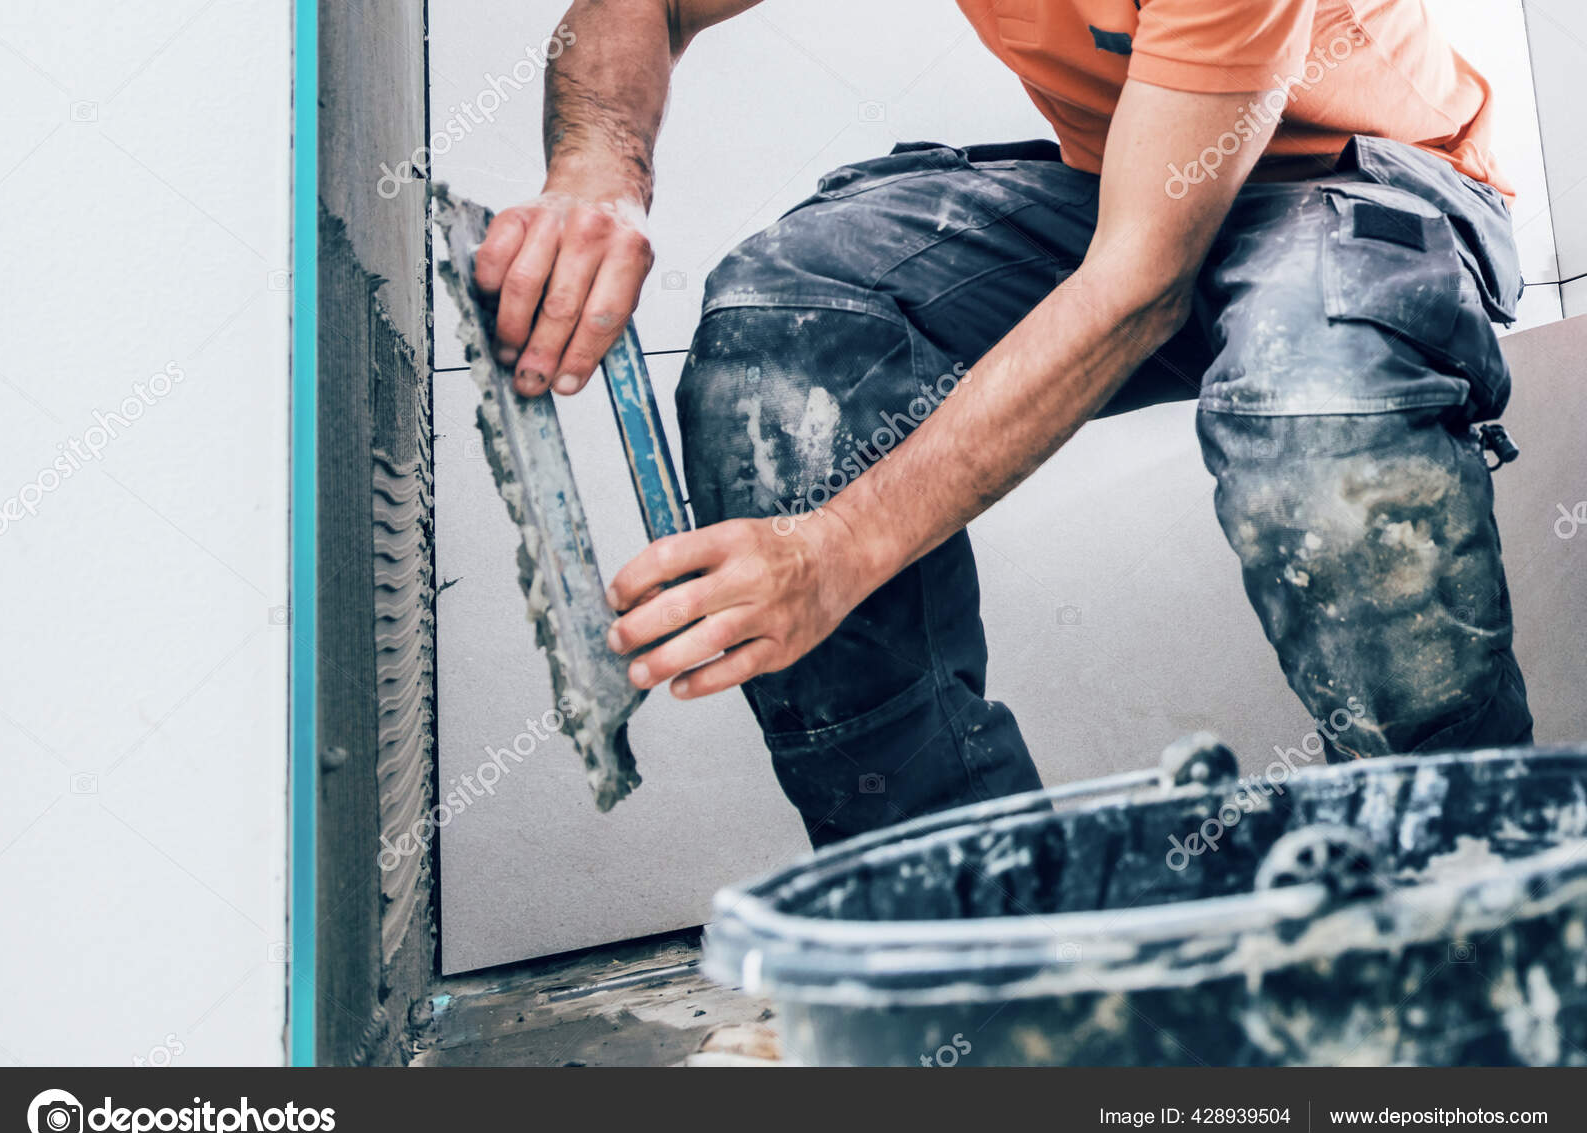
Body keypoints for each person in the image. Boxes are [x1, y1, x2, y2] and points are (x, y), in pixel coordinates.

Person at [475, 1, 1532, 846]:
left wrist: (832, 552)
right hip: (1130, 189)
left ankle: (1468, 896)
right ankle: (966, 932)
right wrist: (596, 173)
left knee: (1319, 396)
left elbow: (1139, 286)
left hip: (1360, 180)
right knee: (785, 324)